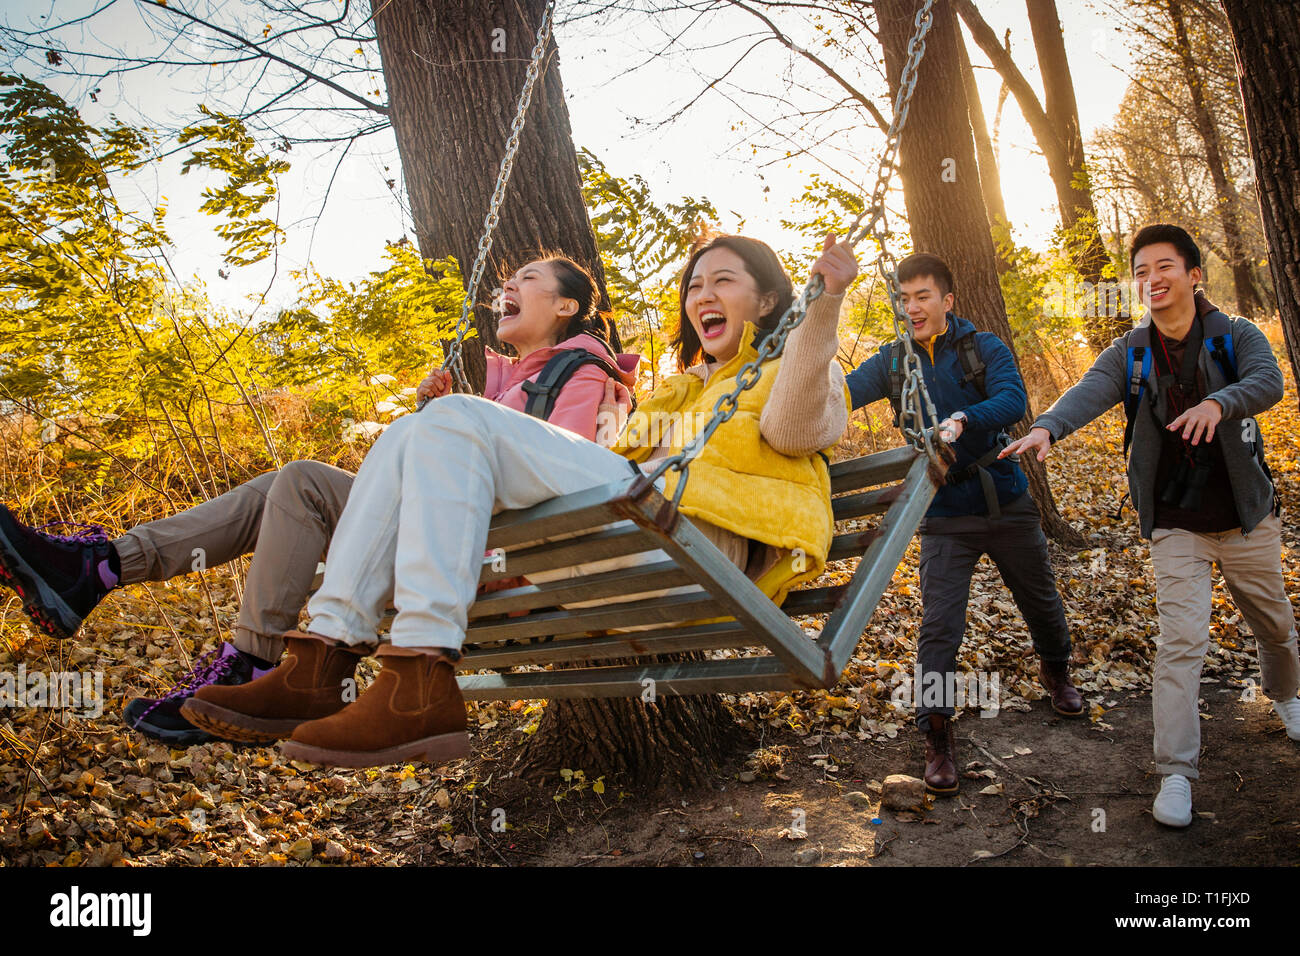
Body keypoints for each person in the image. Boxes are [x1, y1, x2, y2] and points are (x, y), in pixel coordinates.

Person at [180, 233, 857, 768]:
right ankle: (325, 655)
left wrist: (822, 308)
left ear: (768, 301)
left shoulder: (796, 367)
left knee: (457, 420)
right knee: (418, 429)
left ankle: (416, 673)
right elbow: (612, 463)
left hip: (700, 549)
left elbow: (795, 430)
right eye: (694, 285)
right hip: (622, 542)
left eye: (723, 281)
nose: (701, 295)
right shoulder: (678, 393)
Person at [0, 255, 637, 745]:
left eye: (528, 277)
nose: (510, 284)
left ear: (565, 305)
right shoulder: (504, 388)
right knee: (299, 482)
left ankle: (242, 655)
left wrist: (448, 434)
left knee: (305, 485)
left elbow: (559, 482)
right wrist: (436, 419)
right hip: (440, 536)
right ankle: (103, 567)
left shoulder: (582, 374)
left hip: (485, 563)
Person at [1002, 223, 1297, 828]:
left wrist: (1219, 403)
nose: (1151, 279)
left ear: (1193, 274)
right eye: (1140, 271)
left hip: (1246, 520)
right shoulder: (1130, 351)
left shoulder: (1234, 335)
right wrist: (1047, 427)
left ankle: (1289, 697)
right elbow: (1091, 390)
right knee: (1181, 643)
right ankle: (1176, 774)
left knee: (1275, 627)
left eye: (1164, 266)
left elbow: (1268, 382)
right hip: (1175, 524)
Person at [844, 253, 1083, 796]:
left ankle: (1057, 670)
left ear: (947, 300)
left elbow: (1014, 400)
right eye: (903, 300)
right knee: (940, 625)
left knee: (1040, 598)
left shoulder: (983, 347)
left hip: (1005, 501)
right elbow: (842, 395)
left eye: (922, 297)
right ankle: (936, 733)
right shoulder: (892, 361)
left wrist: (964, 419)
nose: (912, 308)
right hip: (944, 513)